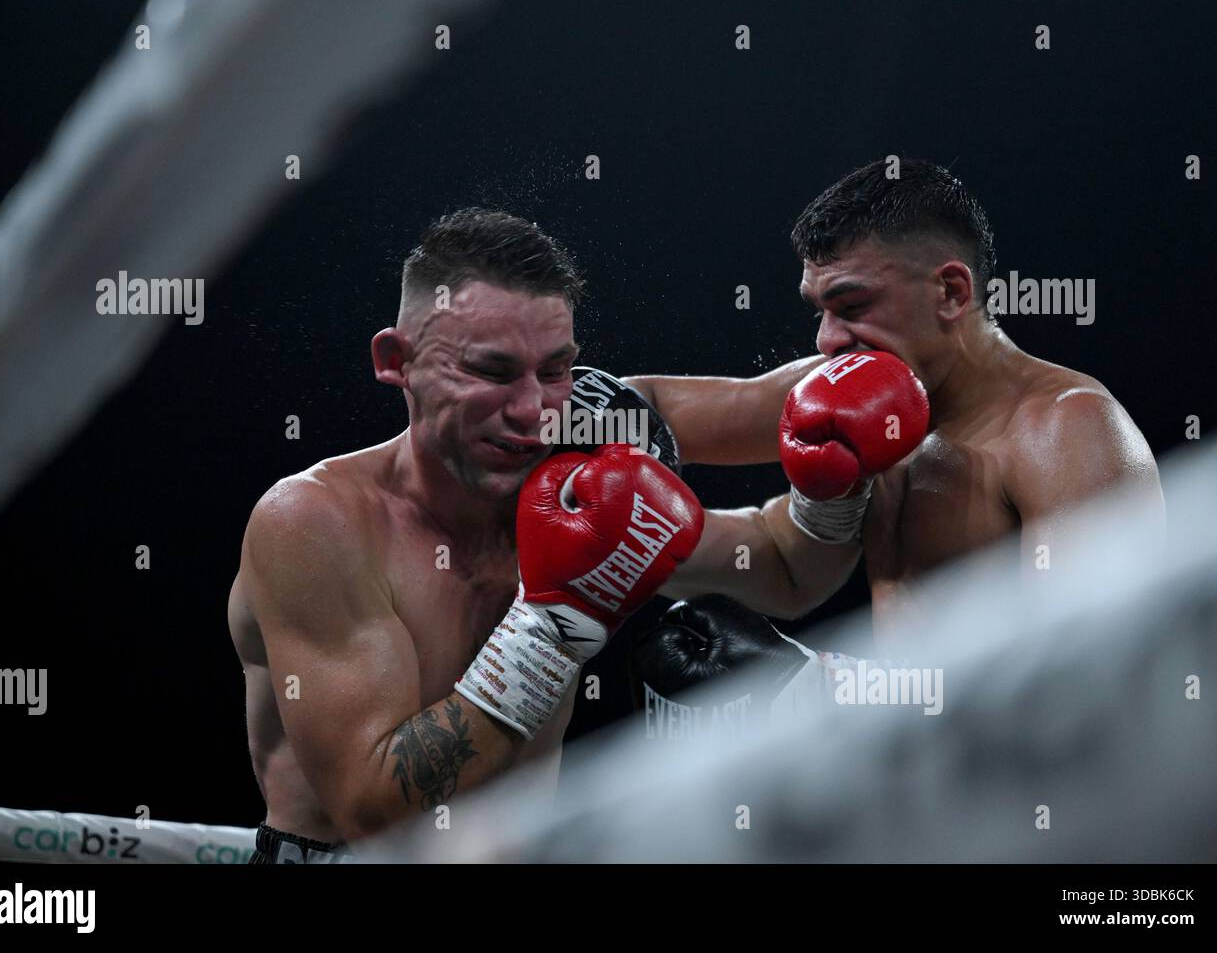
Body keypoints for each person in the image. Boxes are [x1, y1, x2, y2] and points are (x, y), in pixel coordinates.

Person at [227, 209, 705, 861]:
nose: (533, 410)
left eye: (556, 370)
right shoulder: (315, 522)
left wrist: (833, 503)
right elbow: (377, 812)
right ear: (397, 361)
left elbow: (777, 534)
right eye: (493, 372)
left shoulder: (569, 492)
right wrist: (555, 626)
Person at [630, 157, 1164, 700]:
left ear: (952, 292)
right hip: (917, 761)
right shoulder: (861, 389)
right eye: (819, 310)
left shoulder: (1063, 430)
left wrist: (816, 686)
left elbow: (1091, 674)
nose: (827, 340)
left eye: (853, 305)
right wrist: (556, 427)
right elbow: (653, 411)